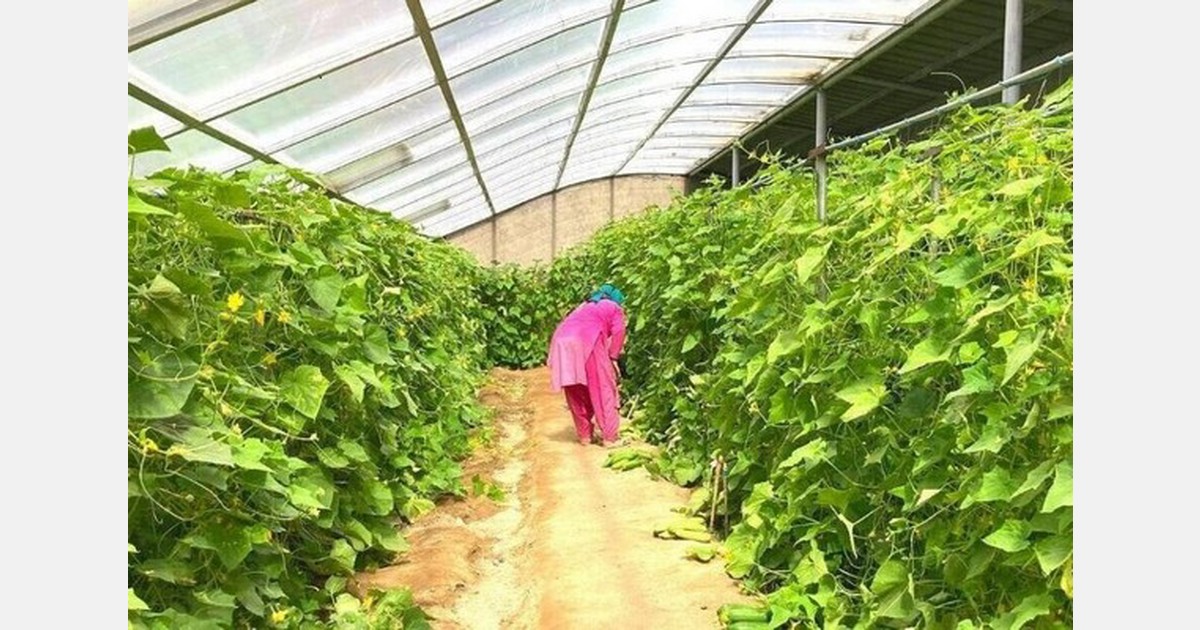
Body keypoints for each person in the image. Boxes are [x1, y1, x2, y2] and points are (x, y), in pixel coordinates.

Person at [547, 283, 628, 447]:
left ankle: (584, 435)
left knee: (575, 388)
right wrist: (613, 357)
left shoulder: (584, 306)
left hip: (562, 342)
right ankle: (609, 437)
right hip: (588, 339)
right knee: (602, 387)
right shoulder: (613, 307)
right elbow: (619, 331)